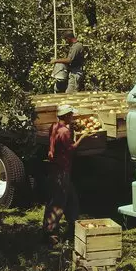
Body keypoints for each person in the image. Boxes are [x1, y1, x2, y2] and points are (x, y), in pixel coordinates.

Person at [43, 104, 83, 244]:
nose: (72, 117)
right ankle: (50, 233)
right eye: (71, 115)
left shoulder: (54, 126)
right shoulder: (65, 132)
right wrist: (83, 137)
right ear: (66, 116)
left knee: (72, 199)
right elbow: (71, 149)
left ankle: (74, 228)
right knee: (57, 202)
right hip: (61, 170)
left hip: (56, 168)